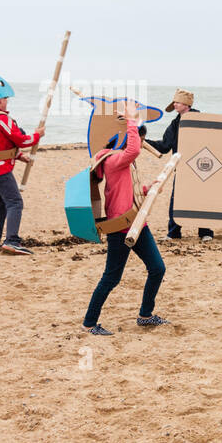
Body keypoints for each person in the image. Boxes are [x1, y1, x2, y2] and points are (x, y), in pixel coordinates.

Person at [82, 103, 168, 335]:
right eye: (138, 138)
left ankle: (145, 315)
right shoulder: (112, 159)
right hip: (120, 226)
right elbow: (132, 150)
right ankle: (90, 323)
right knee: (111, 278)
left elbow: (127, 189)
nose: (139, 143)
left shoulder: (124, 162)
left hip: (137, 223)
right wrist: (131, 120)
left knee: (157, 268)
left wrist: (148, 189)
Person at [0, 75, 42, 255]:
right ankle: (12, 241)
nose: (7, 102)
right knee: (15, 203)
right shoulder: (0, 119)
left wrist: (19, 156)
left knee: (1, 204)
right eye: (5, 98)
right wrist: (37, 135)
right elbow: (20, 139)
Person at [150, 88, 213, 242]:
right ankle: (173, 233)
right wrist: (143, 141)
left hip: (200, 167)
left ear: (186, 104)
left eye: (177, 102)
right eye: (175, 102)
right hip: (182, 167)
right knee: (176, 201)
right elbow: (165, 146)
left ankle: (206, 232)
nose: (175, 105)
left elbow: (212, 143)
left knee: (201, 200)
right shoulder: (175, 123)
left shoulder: (202, 120)